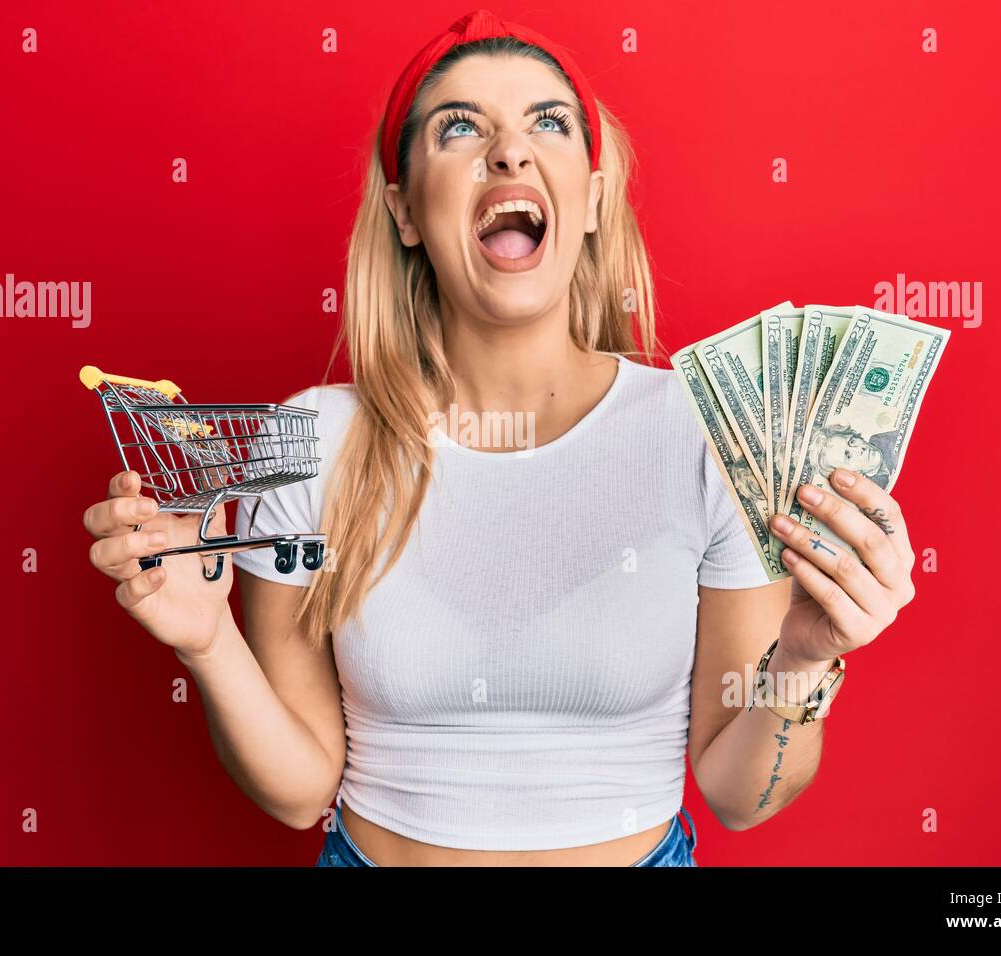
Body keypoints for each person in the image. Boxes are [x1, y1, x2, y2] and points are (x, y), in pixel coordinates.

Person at [82, 9, 919, 866]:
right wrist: (207, 641)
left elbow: (741, 797)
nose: (510, 152)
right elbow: (298, 793)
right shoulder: (311, 446)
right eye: (460, 127)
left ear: (591, 201)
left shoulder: (708, 434)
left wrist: (807, 658)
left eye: (547, 123)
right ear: (406, 210)